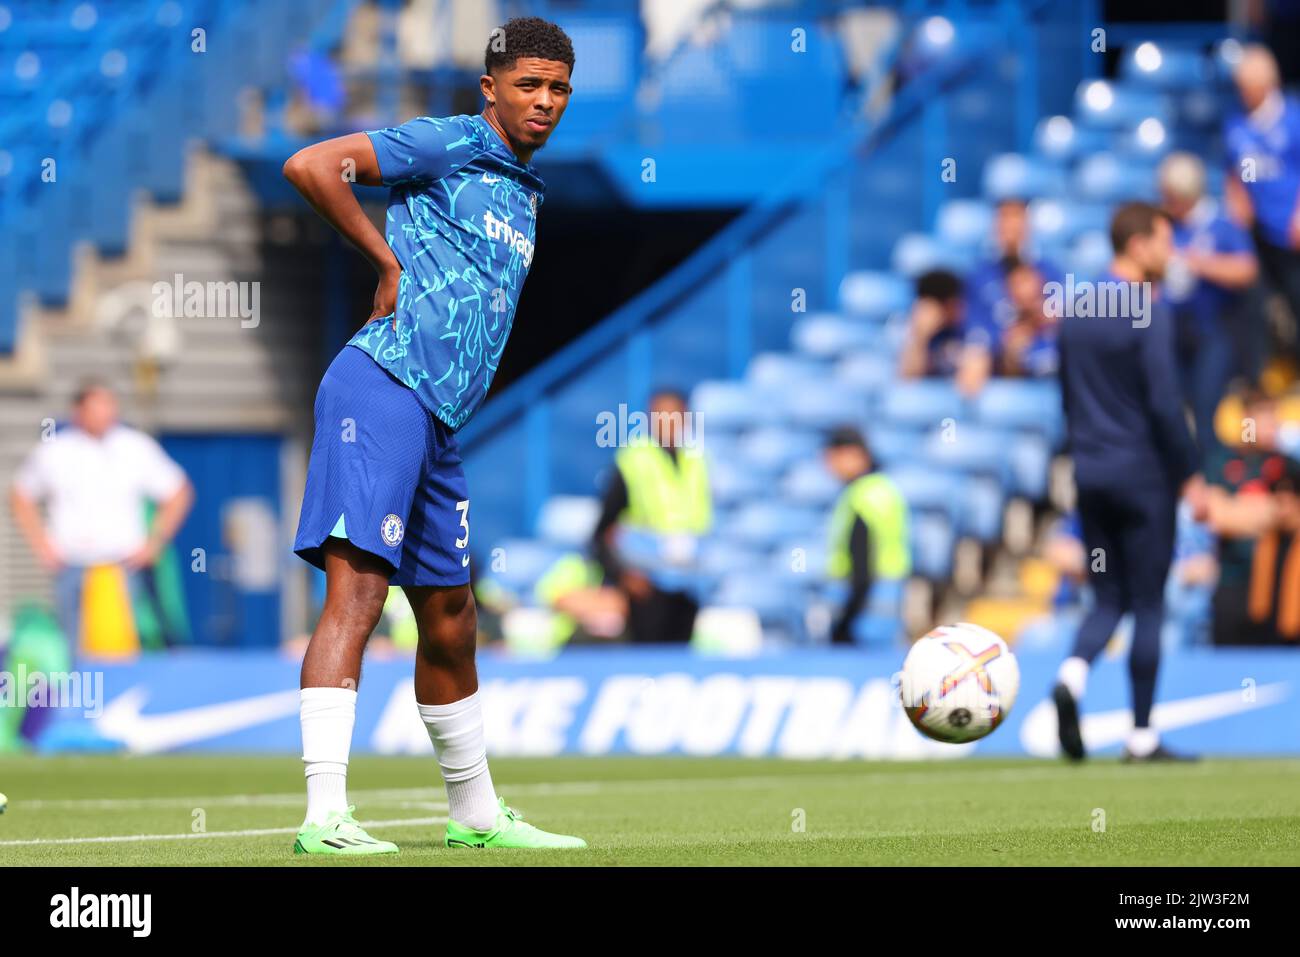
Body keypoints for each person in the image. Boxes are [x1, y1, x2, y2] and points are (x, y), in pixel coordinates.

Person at [282, 16, 584, 855]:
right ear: (490, 88)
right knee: (360, 594)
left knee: (450, 615)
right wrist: (384, 257)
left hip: (436, 418)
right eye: (529, 84)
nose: (544, 101)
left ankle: (477, 813)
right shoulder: (447, 142)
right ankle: (324, 816)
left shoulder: (523, 189)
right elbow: (312, 165)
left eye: (558, 88)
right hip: (381, 386)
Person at [1052, 202, 1208, 764]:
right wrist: (1190, 475)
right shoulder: (1148, 309)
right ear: (1138, 244)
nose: (1172, 253)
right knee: (1147, 603)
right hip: (1143, 475)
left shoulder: (1076, 309)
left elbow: (1067, 395)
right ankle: (1141, 736)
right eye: (1166, 242)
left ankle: (1071, 677)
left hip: (1091, 474)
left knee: (1105, 598)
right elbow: (1166, 405)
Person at [9, 381, 193, 656]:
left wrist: (154, 543)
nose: (105, 414)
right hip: (72, 565)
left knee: (125, 648)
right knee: (73, 650)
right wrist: (41, 544)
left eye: (109, 406)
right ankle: (77, 696)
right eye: (97, 407)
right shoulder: (56, 450)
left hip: (124, 567)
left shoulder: (135, 447)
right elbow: (20, 494)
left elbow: (179, 492)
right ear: (78, 411)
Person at [1158, 151, 1259, 457]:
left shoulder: (1221, 225)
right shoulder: (1166, 228)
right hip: (1172, 332)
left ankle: (1214, 484)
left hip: (1213, 332)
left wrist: (1195, 263)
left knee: (1206, 410)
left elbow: (1246, 269)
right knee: (1170, 410)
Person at [592, 388, 712, 644]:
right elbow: (601, 533)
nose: (668, 422)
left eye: (674, 415)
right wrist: (626, 577)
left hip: (688, 585)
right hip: (648, 590)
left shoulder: (696, 461)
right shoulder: (633, 461)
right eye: (661, 415)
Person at [1224, 44, 1300, 360]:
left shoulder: (1294, 118)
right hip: (1257, 231)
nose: (1244, 93)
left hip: (1291, 227)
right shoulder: (1236, 124)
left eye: (1249, 87)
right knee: (1255, 305)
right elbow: (1236, 171)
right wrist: (1237, 200)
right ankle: (1259, 380)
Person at [822, 427, 911, 645]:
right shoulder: (886, 489)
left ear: (856, 455)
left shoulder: (862, 497)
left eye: (834, 457)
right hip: (888, 611)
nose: (829, 466)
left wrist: (843, 624)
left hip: (863, 617)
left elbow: (861, 568)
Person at [898, 269, 968, 378]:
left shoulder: (968, 328)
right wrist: (920, 338)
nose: (960, 307)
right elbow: (909, 377)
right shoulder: (910, 331)